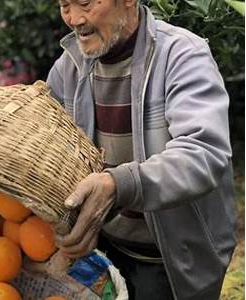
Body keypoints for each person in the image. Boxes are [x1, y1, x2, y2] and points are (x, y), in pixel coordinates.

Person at [47, 0, 237, 299]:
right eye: (64, 5)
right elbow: (50, 147)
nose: (73, 19)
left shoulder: (181, 54)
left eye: (84, 3)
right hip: (103, 251)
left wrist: (119, 184)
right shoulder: (68, 68)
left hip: (170, 257)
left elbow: (203, 153)